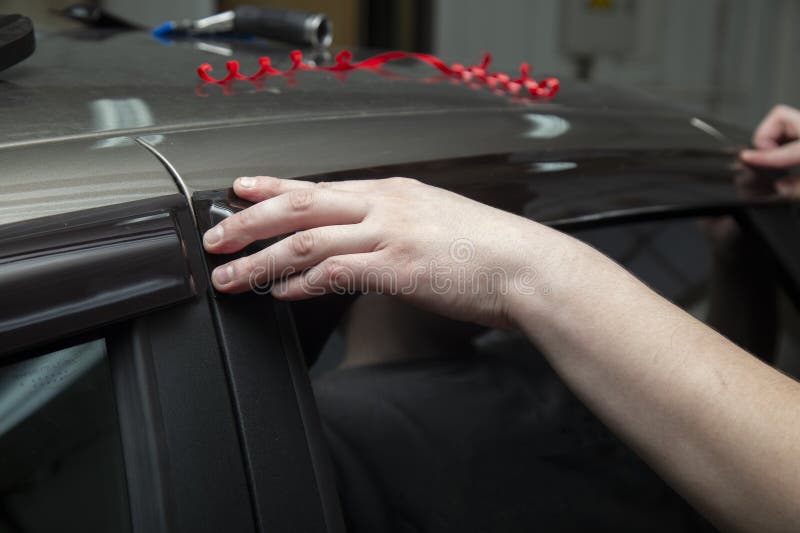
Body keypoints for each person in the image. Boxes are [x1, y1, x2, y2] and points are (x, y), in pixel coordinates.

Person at [202, 104, 800, 532]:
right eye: (471, 209)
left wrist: (531, 273)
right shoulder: (320, 429)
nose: (501, 224)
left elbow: (713, 429)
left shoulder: (546, 353)